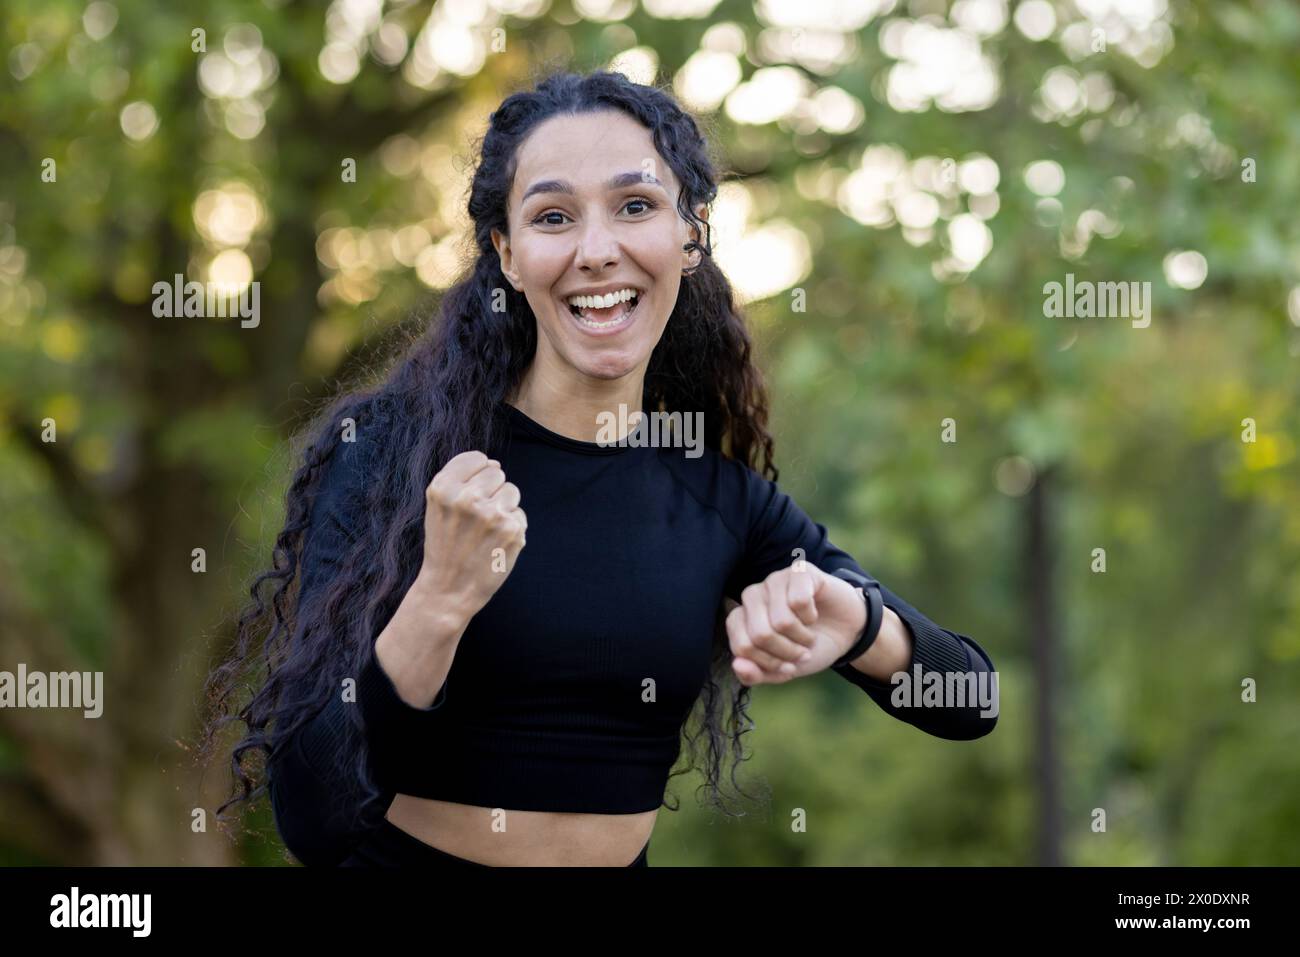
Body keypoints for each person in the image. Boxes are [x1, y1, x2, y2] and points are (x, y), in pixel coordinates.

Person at [203, 69, 998, 868]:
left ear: (690, 234)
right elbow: (310, 815)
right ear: (507, 255)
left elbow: (973, 700)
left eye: (636, 205)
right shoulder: (395, 460)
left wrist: (865, 625)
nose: (596, 251)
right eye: (553, 217)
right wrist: (438, 600)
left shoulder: (716, 498)